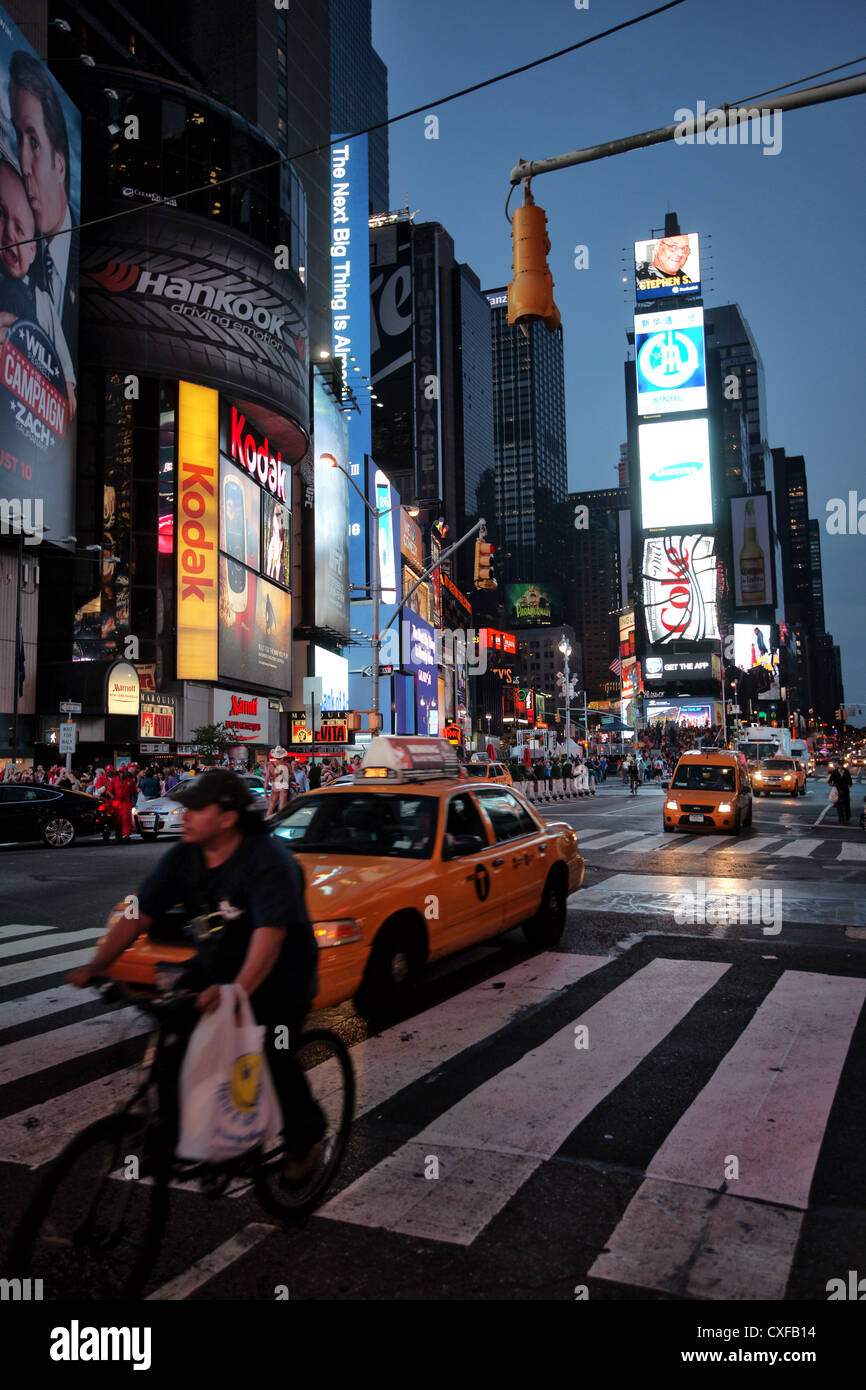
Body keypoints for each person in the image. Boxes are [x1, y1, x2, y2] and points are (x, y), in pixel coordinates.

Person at [66, 770, 326, 1181]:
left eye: (194, 809)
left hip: (280, 976)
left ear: (226, 817)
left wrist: (236, 993)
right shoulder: (185, 855)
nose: (183, 816)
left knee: (271, 1049)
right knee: (173, 1036)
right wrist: (99, 963)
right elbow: (140, 912)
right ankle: (172, 1137)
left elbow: (270, 937)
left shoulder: (268, 860)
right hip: (214, 963)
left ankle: (307, 1137)